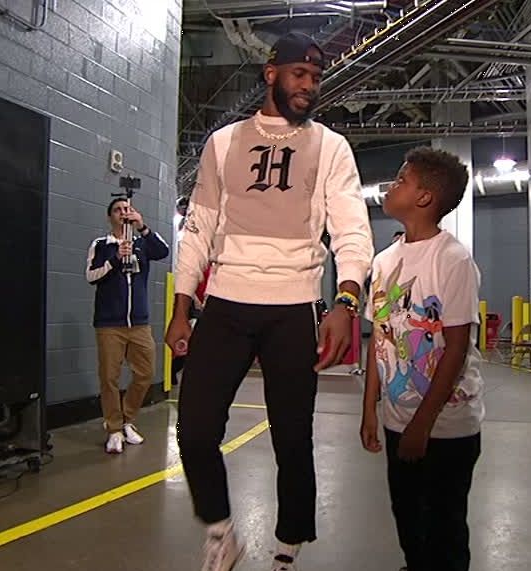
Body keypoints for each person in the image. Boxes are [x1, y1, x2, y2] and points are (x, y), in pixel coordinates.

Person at [166, 32, 374, 571]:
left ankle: (288, 547)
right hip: (227, 300)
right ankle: (220, 530)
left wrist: (344, 301)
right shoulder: (223, 143)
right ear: (271, 73)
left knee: (292, 438)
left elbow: (351, 231)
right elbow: (199, 226)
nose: (309, 86)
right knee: (195, 428)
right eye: (299, 75)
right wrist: (182, 304)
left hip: (293, 304)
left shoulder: (330, 147)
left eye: (316, 78)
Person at [359, 147, 484, 571]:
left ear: (424, 198)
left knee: (445, 526)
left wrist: (423, 425)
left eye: (401, 180)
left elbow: (455, 347)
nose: (391, 186)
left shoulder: (452, 259)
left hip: (446, 427)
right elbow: (380, 335)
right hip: (398, 420)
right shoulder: (383, 261)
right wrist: (370, 410)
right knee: (407, 517)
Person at [86, 198, 170, 454]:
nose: (123, 213)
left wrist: (143, 227)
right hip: (110, 324)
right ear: (110, 216)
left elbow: (163, 251)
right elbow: (91, 275)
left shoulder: (143, 243)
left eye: (127, 209)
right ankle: (113, 429)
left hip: (139, 323)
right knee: (109, 378)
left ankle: (127, 420)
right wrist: (113, 260)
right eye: (118, 210)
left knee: (145, 373)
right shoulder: (101, 245)